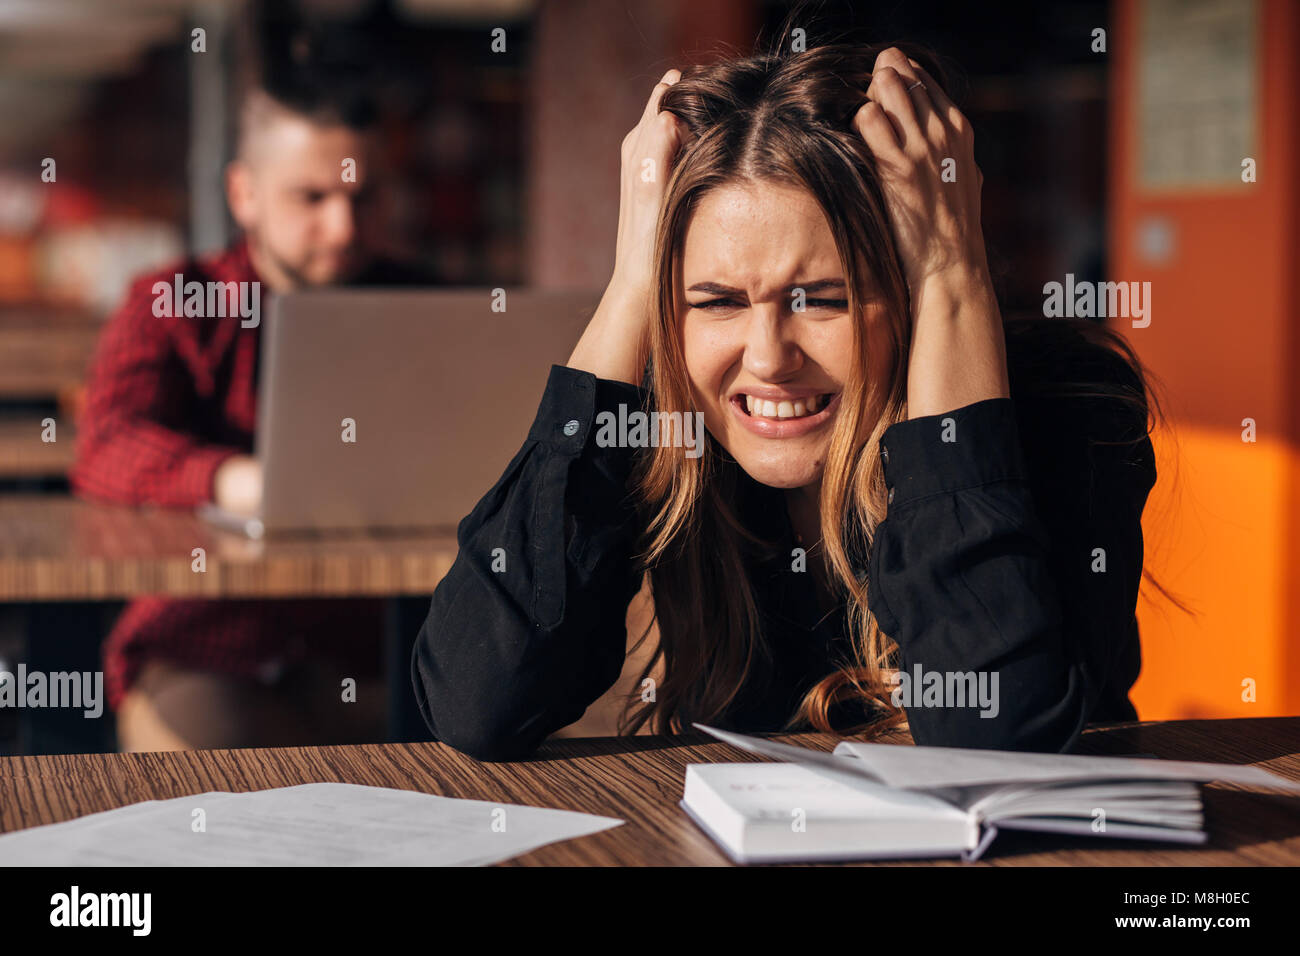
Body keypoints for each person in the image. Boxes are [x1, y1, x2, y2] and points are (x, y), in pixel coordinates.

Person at [411, 41, 1166, 761]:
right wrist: (632, 284)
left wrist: (949, 272)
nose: (769, 357)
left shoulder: (1071, 408)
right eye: (717, 300)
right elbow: (482, 702)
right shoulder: (676, 417)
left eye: (824, 300)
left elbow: (997, 741)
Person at [71, 77, 428, 751]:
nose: (344, 227)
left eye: (364, 197)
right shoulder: (171, 302)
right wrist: (242, 481)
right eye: (312, 197)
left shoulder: (429, 307)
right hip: (205, 645)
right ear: (244, 195)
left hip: (393, 649)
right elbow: (106, 445)